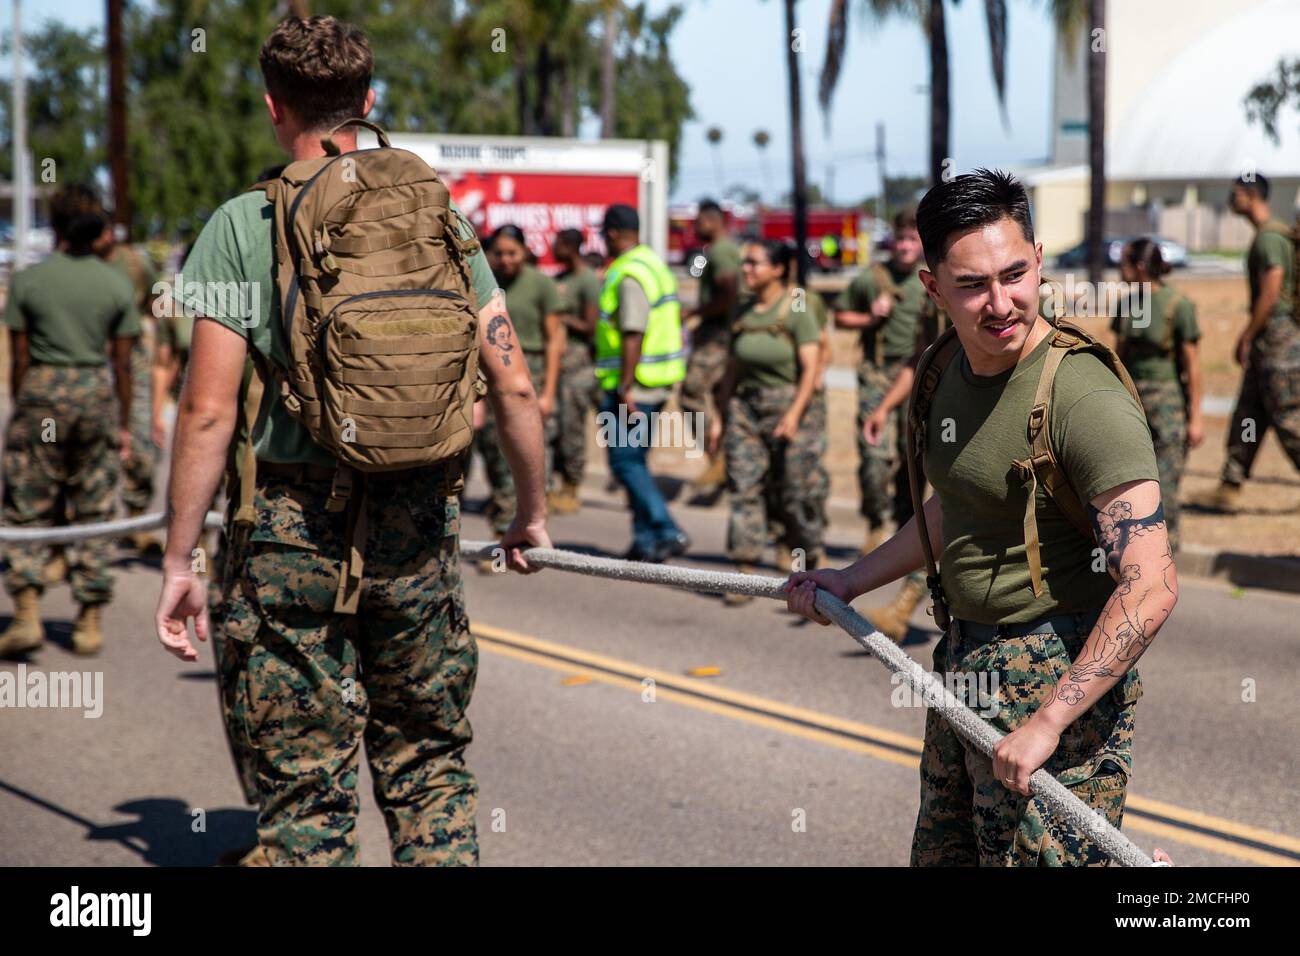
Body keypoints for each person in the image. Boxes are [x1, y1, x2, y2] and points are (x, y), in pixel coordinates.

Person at [153, 14, 550, 866]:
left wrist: (179, 558)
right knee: (429, 768)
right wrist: (532, 513)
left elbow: (209, 413)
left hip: (288, 539)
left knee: (304, 797)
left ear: (273, 109)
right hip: (418, 533)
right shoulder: (435, 215)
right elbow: (512, 378)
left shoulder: (238, 224)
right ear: (367, 102)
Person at [785, 169, 1177, 866]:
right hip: (964, 665)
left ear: (1039, 260)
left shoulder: (1082, 397)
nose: (1001, 303)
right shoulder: (946, 372)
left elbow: (1151, 585)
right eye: (972, 285)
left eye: (1015, 274)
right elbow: (960, 506)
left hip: (1055, 684)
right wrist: (852, 579)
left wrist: (1051, 722)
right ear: (933, 289)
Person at [0, 184, 137, 658]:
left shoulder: (28, 282)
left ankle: (26, 613)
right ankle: (89, 621)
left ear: (55, 227)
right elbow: (122, 365)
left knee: (26, 503)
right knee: (96, 507)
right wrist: (121, 424)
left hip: (42, 397)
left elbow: (17, 359)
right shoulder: (116, 284)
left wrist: (25, 406)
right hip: (94, 397)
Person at [709, 240, 825, 605]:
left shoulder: (796, 308)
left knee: (794, 489)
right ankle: (744, 569)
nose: (746, 270)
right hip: (747, 406)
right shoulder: (742, 310)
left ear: (778, 269)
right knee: (744, 485)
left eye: (755, 263)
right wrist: (720, 417)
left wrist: (793, 415)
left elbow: (811, 368)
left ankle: (809, 560)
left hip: (792, 403)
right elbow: (731, 368)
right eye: (744, 263)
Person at [1197, 173, 1300, 511]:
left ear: (1252, 195)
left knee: (1288, 418)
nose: (1231, 199)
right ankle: (1230, 484)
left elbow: (1272, 291)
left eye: (1236, 193)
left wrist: (1247, 333)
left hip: (1277, 342)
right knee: (1248, 416)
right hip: (1268, 342)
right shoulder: (1270, 235)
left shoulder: (1270, 239)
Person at [595, 203, 690, 562]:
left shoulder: (630, 273)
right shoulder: (653, 264)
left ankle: (667, 529)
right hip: (655, 382)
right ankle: (646, 542)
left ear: (614, 234)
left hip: (635, 386)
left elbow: (633, 332)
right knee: (635, 460)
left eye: (605, 234)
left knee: (624, 463)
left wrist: (624, 386)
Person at [835, 208, 928, 554]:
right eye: (900, 239)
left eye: (911, 239)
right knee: (872, 456)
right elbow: (840, 317)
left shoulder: (930, 279)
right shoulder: (871, 279)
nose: (904, 246)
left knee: (913, 457)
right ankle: (875, 523)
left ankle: (907, 530)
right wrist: (868, 317)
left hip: (920, 374)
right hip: (877, 372)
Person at [472, 224, 563, 550]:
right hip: (491, 380)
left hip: (530, 378)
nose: (506, 260)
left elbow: (555, 341)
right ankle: (503, 530)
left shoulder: (540, 285)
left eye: (513, 253)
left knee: (529, 457)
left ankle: (516, 529)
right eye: (499, 253)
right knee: (495, 457)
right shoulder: (484, 282)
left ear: (525, 252)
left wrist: (549, 391)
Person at [1113, 238, 1204, 551]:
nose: (1118, 270)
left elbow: (1192, 366)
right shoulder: (1126, 303)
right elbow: (1118, 356)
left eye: (1123, 262)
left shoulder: (1178, 304)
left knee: (1164, 485)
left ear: (1139, 266)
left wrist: (1195, 418)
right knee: (1129, 483)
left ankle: (1168, 551)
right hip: (1131, 402)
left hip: (1168, 406)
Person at [100, 224, 162, 554]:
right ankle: (91, 524)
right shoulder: (78, 264)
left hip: (132, 359)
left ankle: (135, 520)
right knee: (93, 443)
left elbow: (157, 302)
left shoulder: (135, 262)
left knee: (140, 442)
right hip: (91, 358)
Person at [681, 199, 742, 496]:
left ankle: (718, 459)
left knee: (692, 391)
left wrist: (695, 313)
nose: (696, 226)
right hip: (717, 334)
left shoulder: (721, 252)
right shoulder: (719, 251)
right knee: (720, 400)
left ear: (713, 221)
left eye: (700, 221)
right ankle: (724, 464)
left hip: (718, 336)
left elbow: (728, 295)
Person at [548, 228, 603, 514]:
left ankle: (572, 486)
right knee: (555, 427)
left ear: (570, 247)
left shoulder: (586, 280)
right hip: (557, 365)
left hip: (578, 366)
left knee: (572, 426)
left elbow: (590, 326)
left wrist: (561, 318)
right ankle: (557, 483)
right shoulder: (559, 279)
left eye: (557, 244)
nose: (553, 248)